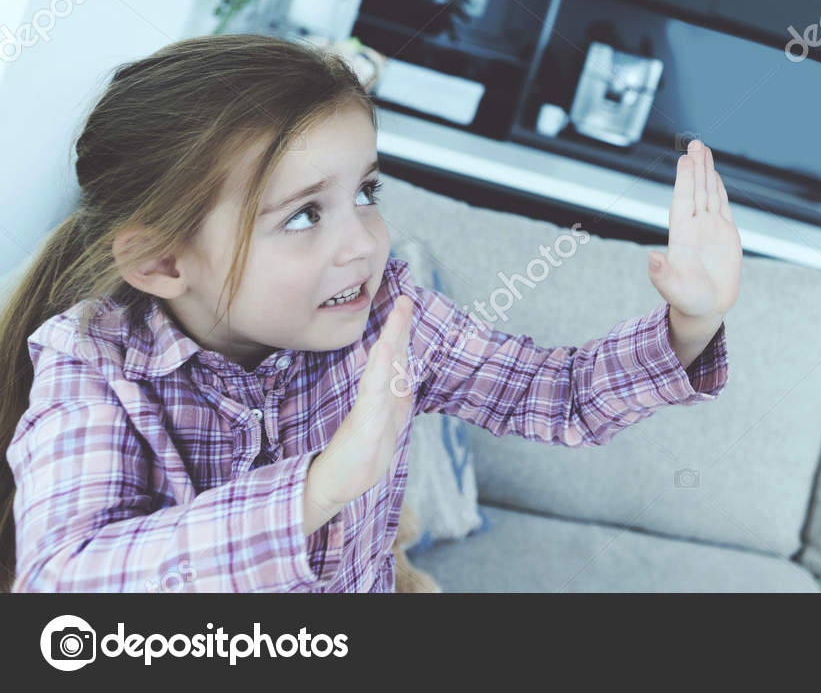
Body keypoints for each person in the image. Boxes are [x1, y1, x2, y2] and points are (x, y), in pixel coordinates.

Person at [1, 34, 741, 592]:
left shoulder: (390, 312)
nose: (361, 243)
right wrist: (320, 487)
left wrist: (691, 324)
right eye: (303, 216)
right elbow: (63, 586)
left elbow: (555, 392)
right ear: (164, 262)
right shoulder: (90, 363)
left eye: (366, 193)